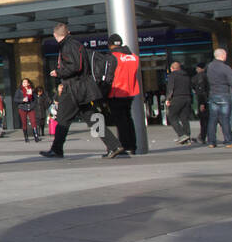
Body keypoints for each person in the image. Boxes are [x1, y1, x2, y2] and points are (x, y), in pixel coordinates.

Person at [40, 22, 104, 159]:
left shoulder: (68, 46)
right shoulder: (76, 44)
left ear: (55, 35)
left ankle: (56, 150)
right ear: (68, 32)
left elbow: (75, 66)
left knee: (62, 118)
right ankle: (114, 145)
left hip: (73, 88)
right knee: (92, 117)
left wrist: (59, 72)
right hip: (81, 88)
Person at [99, 33, 140, 158]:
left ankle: (124, 146)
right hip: (130, 91)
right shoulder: (133, 57)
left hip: (116, 92)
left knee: (120, 121)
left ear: (110, 45)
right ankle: (132, 146)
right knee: (128, 119)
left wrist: (102, 93)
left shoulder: (112, 57)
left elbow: (108, 76)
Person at [205, 48, 232, 147]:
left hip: (213, 94)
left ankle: (211, 142)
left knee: (212, 119)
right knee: (225, 119)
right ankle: (229, 141)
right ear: (223, 56)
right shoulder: (225, 68)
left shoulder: (209, 67)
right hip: (223, 94)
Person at [165, 61, 193, 145]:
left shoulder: (172, 76)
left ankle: (182, 134)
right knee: (184, 117)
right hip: (187, 97)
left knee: (172, 117)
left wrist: (168, 99)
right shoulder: (186, 76)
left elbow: (171, 88)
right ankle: (187, 136)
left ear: (172, 68)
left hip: (177, 98)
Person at [15, 79, 40, 143]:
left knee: (33, 121)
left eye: (25, 82)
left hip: (30, 107)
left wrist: (33, 104)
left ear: (28, 83)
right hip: (22, 107)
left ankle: (36, 136)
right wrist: (22, 100)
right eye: (23, 82)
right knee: (24, 122)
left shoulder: (31, 90)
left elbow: (35, 99)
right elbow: (15, 99)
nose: (24, 83)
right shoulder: (19, 90)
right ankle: (26, 137)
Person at [191, 62, 210, 143]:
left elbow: (201, 91)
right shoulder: (207, 76)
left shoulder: (199, 77)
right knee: (208, 120)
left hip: (203, 101)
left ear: (200, 68)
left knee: (204, 120)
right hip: (208, 100)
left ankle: (202, 137)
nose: (196, 69)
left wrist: (202, 103)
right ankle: (203, 136)